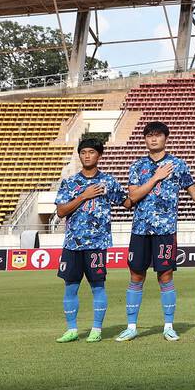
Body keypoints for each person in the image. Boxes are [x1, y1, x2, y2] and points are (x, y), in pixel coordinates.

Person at [118, 121, 195, 342]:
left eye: (157, 135)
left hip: (165, 230)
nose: (153, 139)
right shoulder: (137, 166)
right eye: (149, 135)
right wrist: (156, 177)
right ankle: (131, 326)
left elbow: (193, 191)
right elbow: (133, 196)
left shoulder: (178, 164)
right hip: (140, 230)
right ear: (145, 139)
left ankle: (168, 327)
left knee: (165, 276)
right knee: (136, 276)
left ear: (166, 138)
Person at [53, 137, 125, 343]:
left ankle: (96, 329)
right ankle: (72, 329)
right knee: (70, 286)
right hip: (72, 243)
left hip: (97, 243)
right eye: (83, 152)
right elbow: (61, 211)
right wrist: (83, 196)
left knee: (98, 286)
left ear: (99, 155)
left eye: (91, 152)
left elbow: (126, 202)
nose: (87, 156)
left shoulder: (108, 181)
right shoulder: (69, 182)